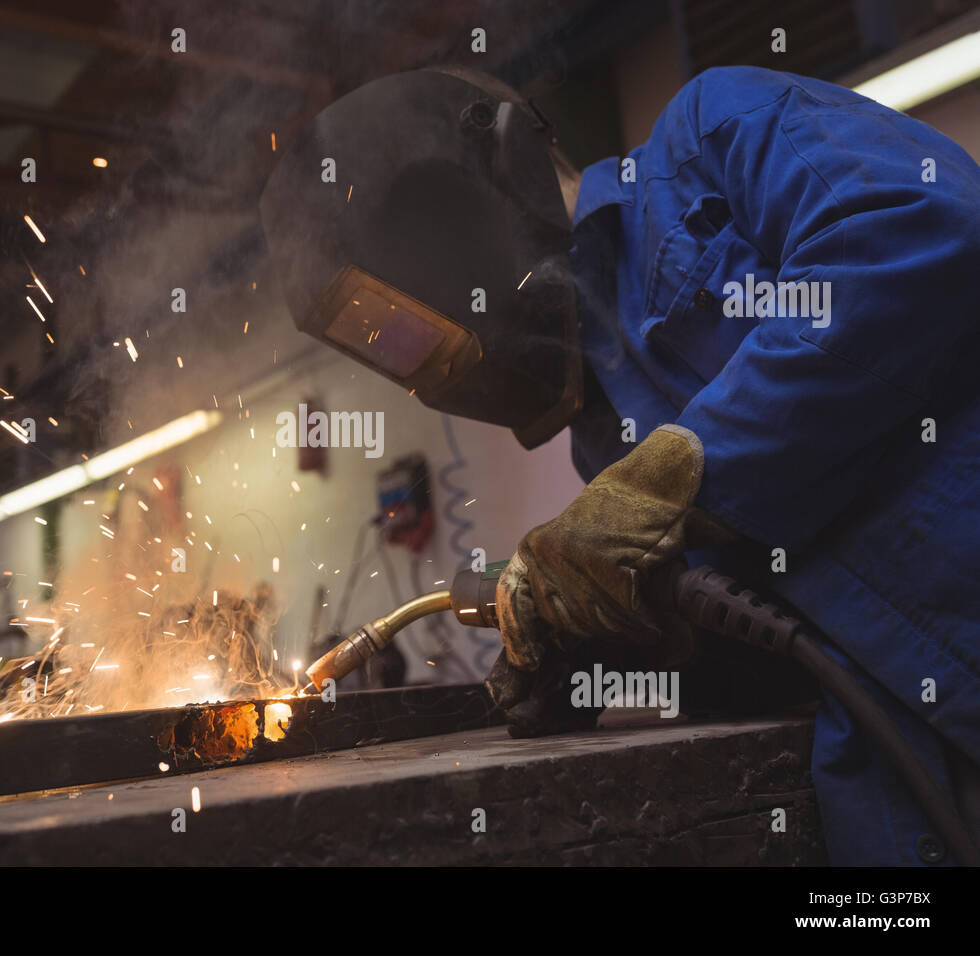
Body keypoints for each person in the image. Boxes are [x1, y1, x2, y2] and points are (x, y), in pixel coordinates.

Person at [260, 64, 980, 865]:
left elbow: (914, 232)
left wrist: (682, 470)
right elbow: (780, 651)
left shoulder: (715, 135)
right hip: (908, 794)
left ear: (455, 207)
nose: (427, 366)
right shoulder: (603, 440)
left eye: (404, 330)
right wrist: (616, 653)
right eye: (390, 351)